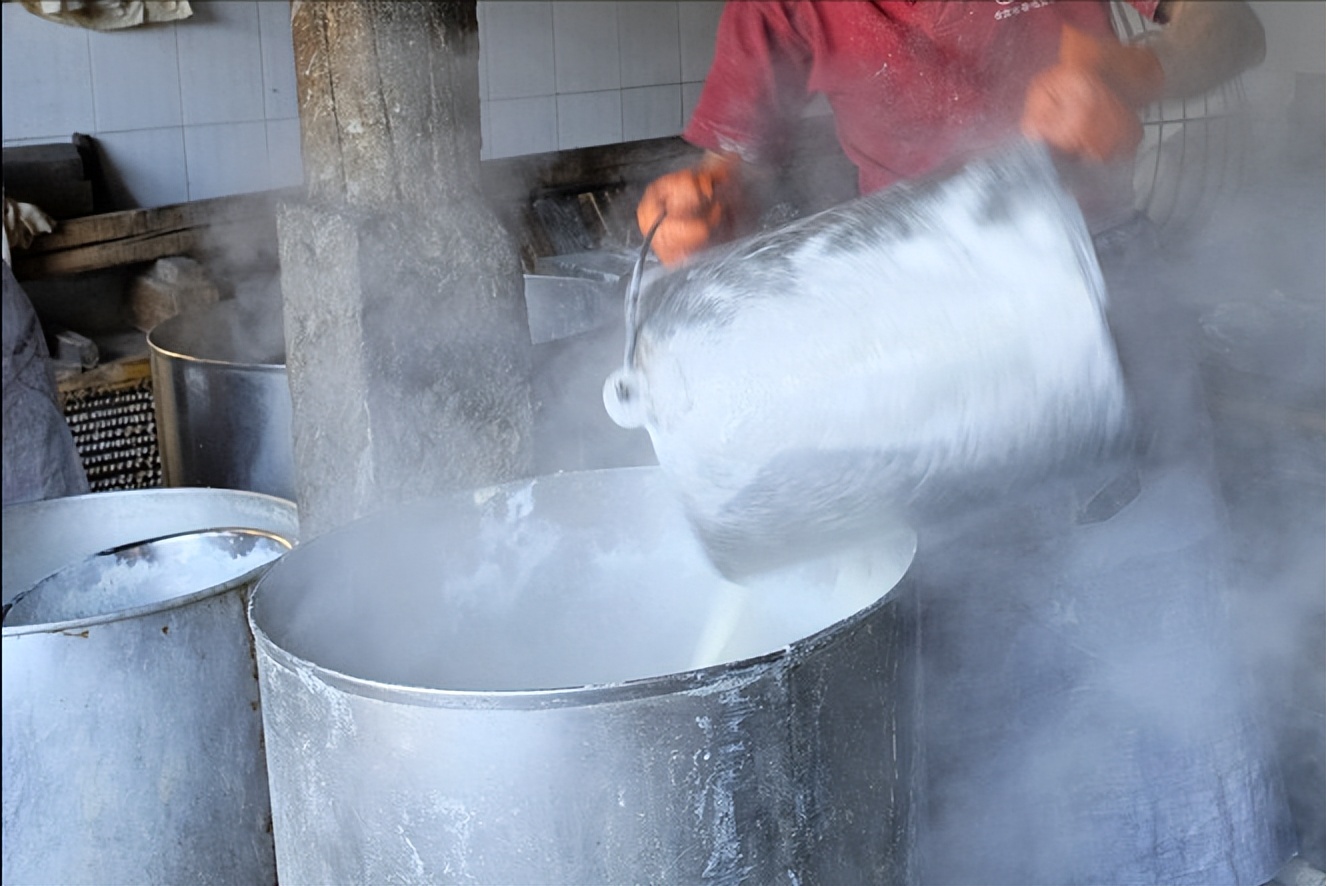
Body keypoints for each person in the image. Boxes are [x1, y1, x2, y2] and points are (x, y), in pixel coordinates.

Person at [636, 3, 1297, 884]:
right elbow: (736, 167)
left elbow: (1229, 26)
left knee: (1151, 634)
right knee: (963, 670)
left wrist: (1131, 72)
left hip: (1104, 303)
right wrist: (707, 205)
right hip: (910, 341)